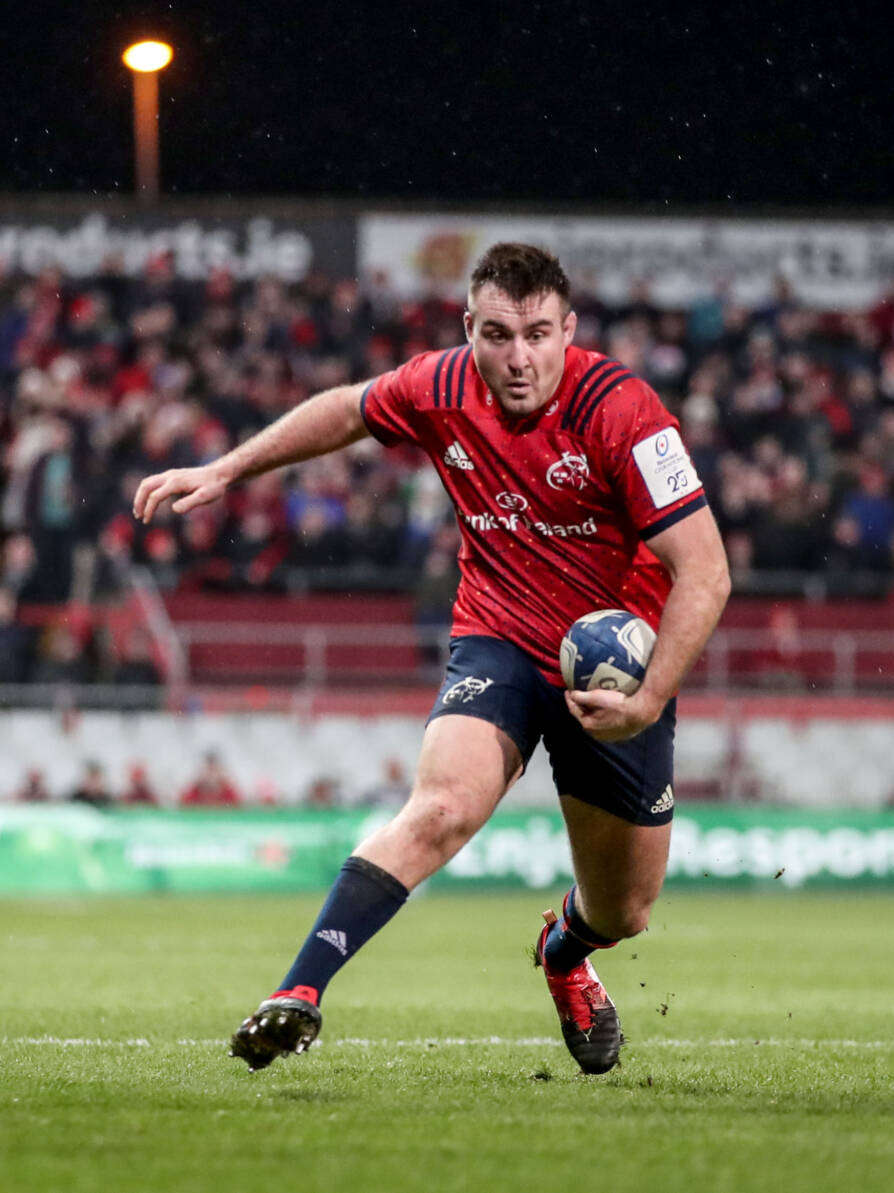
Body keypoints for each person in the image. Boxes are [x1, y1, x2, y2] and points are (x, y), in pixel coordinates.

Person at [135, 243, 730, 1075]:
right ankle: (297, 993)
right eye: (496, 334)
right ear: (469, 330)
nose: (517, 358)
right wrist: (228, 468)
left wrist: (649, 695)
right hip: (501, 640)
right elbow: (346, 408)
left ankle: (563, 953)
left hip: (616, 669)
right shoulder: (440, 384)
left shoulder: (624, 412)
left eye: (535, 334)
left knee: (625, 907)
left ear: (569, 330)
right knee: (441, 807)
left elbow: (706, 567)